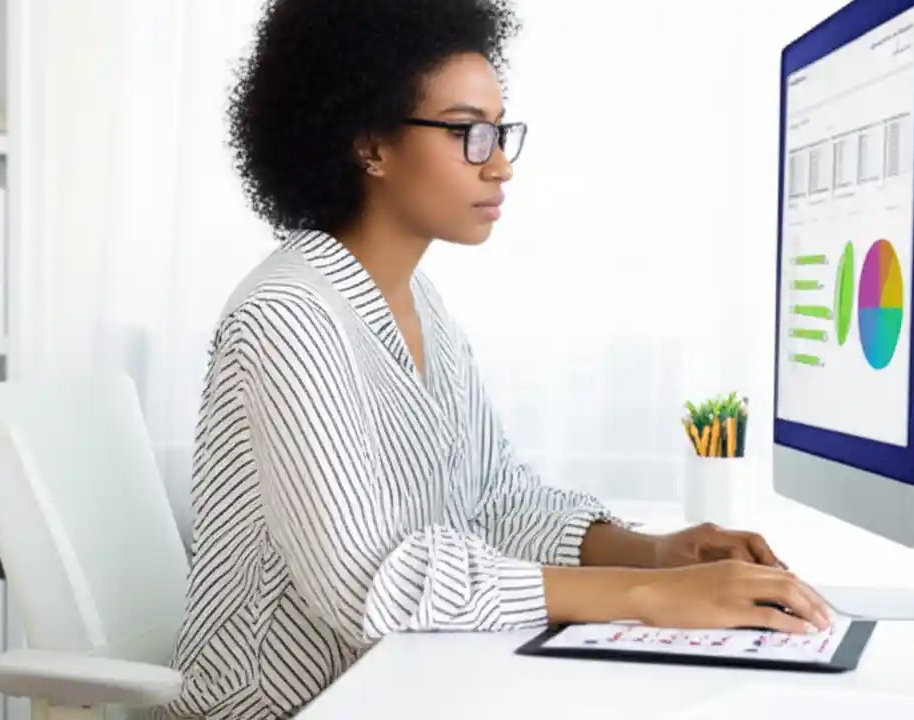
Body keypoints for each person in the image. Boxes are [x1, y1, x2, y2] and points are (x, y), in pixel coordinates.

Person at [163, 1, 831, 717]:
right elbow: (371, 584)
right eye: (468, 134)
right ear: (371, 146)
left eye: (500, 131)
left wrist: (657, 553)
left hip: (397, 689)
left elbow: (493, 503)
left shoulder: (418, 303)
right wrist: (649, 595)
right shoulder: (287, 315)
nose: (501, 165)